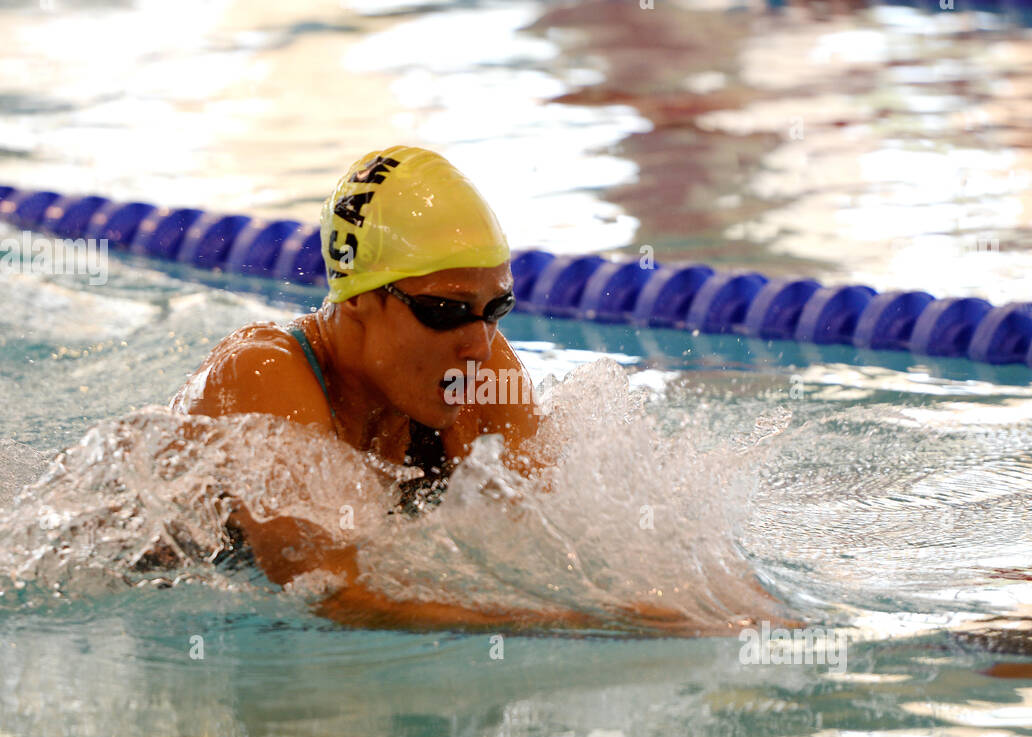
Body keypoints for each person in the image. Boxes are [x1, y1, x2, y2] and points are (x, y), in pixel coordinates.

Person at [171, 146, 697, 633]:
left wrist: (724, 610)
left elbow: (563, 534)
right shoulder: (261, 374)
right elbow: (330, 590)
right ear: (357, 297)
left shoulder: (480, 366)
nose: (477, 343)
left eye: (496, 310)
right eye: (443, 310)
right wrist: (594, 625)